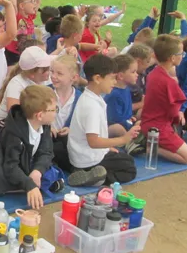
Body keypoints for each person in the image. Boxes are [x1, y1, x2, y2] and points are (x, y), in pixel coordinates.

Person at [0, 85, 63, 210]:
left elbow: (46, 152)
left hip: (26, 163)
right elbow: (10, 167)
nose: (56, 113)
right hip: (5, 168)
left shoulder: (45, 125)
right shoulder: (14, 134)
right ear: (40, 115)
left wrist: (37, 171)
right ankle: (20, 187)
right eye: (54, 109)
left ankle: (33, 183)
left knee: (49, 169)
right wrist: (30, 185)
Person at [67, 55, 139, 186]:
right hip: (89, 159)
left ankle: (85, 171)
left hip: (84, 156)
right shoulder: (91, 105)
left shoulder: (91, 97)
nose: (114, 82)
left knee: (124, 158)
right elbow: (93, 141)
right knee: (129, 168)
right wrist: (123, 139)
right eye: (112, 78)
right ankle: (95, 178)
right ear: (98, 79)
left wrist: (107, 148)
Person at [138, 35, 187, 165]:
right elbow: (174, 113)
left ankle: (148, 142)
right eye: (181, 53)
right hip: (159, 128)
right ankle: (148, 146)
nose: (183, 55)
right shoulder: (169, 82)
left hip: (148, 122)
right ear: (172, 58)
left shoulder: (153, 73)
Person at [0, 46, 53, 124]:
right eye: (45, 70)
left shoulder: (46, 79)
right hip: (6, 123)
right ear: (32, 74)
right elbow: (14, 115)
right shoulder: (17, 84)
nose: (49, 72)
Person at [49, 54, 82, 171]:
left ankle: (77, 169)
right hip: (48, 138)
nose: (53, 76)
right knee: (52, 148)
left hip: (68, 140)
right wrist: (47, 126)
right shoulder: (45, 93)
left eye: (59, 74)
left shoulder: (80, 98)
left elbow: (82, 123)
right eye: (52, 72)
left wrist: (71, 129)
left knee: (70, 146)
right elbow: (34, 116)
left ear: (73, 77)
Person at [4, 0, 40, 65]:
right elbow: (13, 4)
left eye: (34, 1)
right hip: (13, 54)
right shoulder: (17, 17)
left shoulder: (29, 16)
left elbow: (38, 2)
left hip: (26, 51)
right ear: (22, 6)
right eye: (32, 1)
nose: (35, 4)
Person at [106, 54, 138, 137]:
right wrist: (130, 123)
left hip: (127, 124)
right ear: (120, 75)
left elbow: (126, 113)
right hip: (114, 129)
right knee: (118, 128)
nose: (136, 74)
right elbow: (115, 120)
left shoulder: (126, 89)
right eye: (133, 72)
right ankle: (129, 144)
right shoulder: (114, 95)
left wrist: (131, 119)